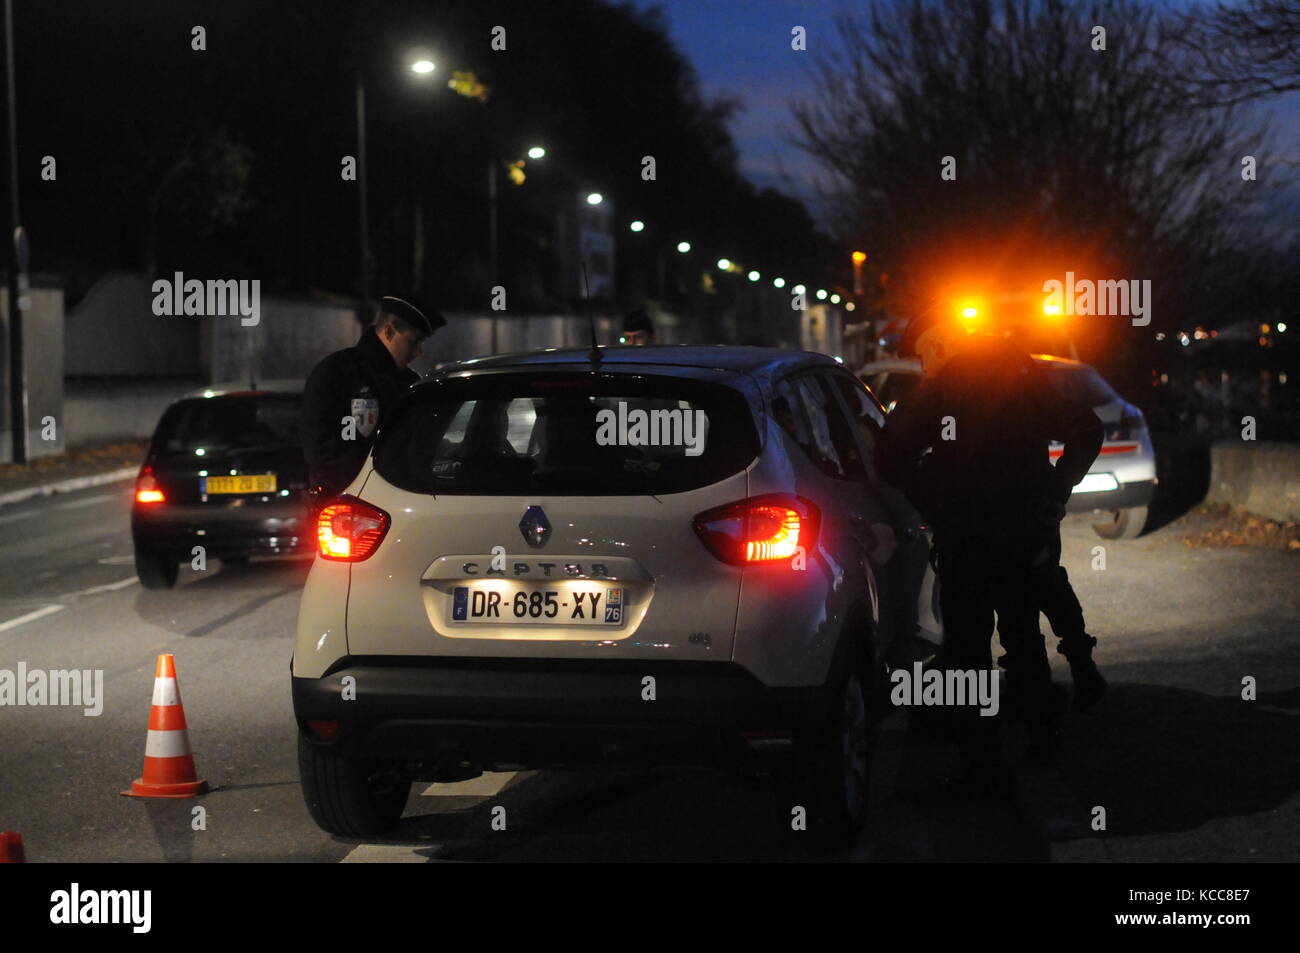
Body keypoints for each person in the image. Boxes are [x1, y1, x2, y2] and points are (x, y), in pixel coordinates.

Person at [878, 311, 1102, 776]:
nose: (923, 366)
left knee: (968, 645)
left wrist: (930, 497)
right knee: (1023, 630)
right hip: (1024, 528)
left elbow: (891, 452)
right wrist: (1055, 492)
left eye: (923, 356)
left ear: (939, 346)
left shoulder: (942, 386)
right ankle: (1041, 738)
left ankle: (980, 755)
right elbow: (1086, 428)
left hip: (966, 531)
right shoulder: (1019, 372)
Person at [300, 295, 443, 500]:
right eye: (413, 341)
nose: (418, 352)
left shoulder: (409, 382)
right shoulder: (337, 373)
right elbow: (319, 445)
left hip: (398, 500)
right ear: (389, 331)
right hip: (343, 503)